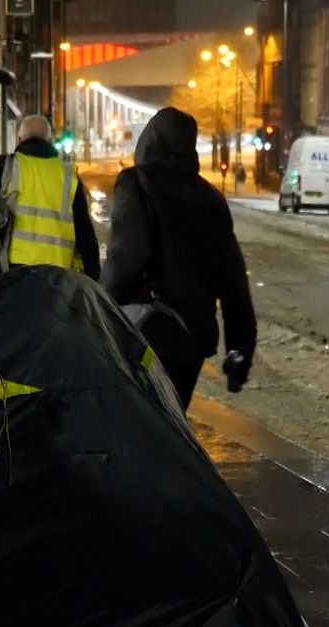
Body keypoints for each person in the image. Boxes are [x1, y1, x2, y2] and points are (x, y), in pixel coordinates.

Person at [103, 107, 256, 410]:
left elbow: (125, 256)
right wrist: (240, 348)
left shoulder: (137, 183)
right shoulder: (211, 199)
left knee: (138, 425)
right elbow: (232, 279)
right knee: (171, 423)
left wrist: (98, 303)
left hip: (145, 332)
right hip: (191, 339)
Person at [0, 115, 100, 279]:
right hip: (59, 274)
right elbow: (84, 231)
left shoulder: (5, 166)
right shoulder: (68, 175)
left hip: (11, 271)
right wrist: (93, 275)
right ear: (50, 141)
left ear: (19, 139)